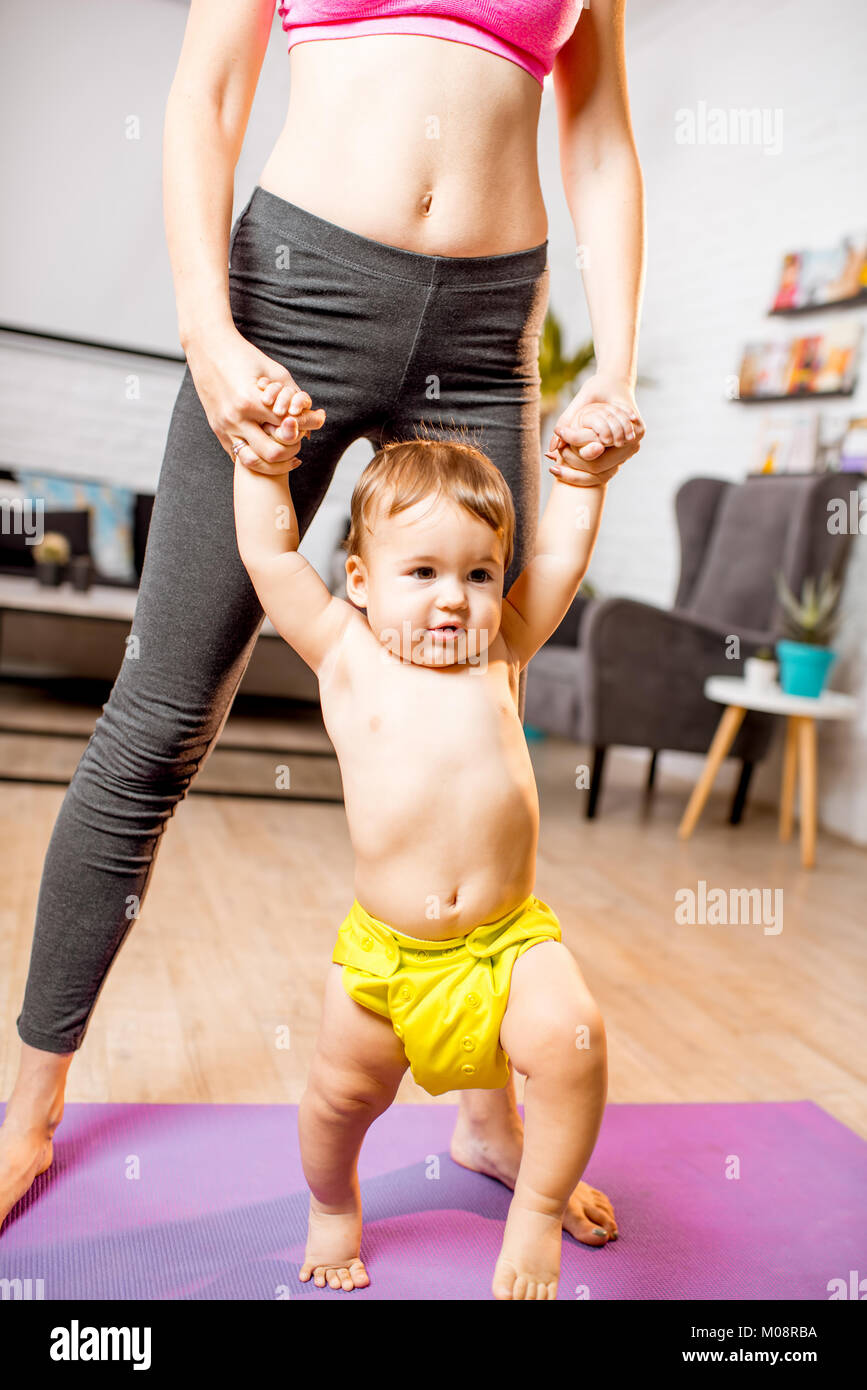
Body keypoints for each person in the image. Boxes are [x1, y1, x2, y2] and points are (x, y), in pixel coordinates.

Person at [0, 0, 644, 1243]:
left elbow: (600, 130)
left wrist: (612, 361)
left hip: (488, 311)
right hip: (294, 290)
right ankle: (30, 1102)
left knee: (480, 699)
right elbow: (208, 91)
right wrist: (208, 328)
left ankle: (489, 1120)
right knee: (160, 718)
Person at [233, 423, 609, 1298]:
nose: (454, 600)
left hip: (504, 947)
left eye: (479, 574)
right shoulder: (345, 652)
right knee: (338, 1101)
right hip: (385, 960)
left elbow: (559, 553)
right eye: (423, 573)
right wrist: (264, 465)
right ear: (360, 582)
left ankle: (536, 1210)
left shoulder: (503, 650)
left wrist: (584, 477)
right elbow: (268, 553)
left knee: (573, 1045)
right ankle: (332, 1209)